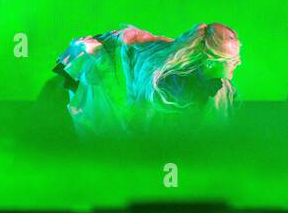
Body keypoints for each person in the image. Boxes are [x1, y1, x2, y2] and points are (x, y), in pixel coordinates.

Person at [52, 23, 241, 136]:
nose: (238, 63)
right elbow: (140, 114)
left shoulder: (218, 87)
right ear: (209, 62)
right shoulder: (171, 82)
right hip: (119, 62)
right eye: (232, 60)